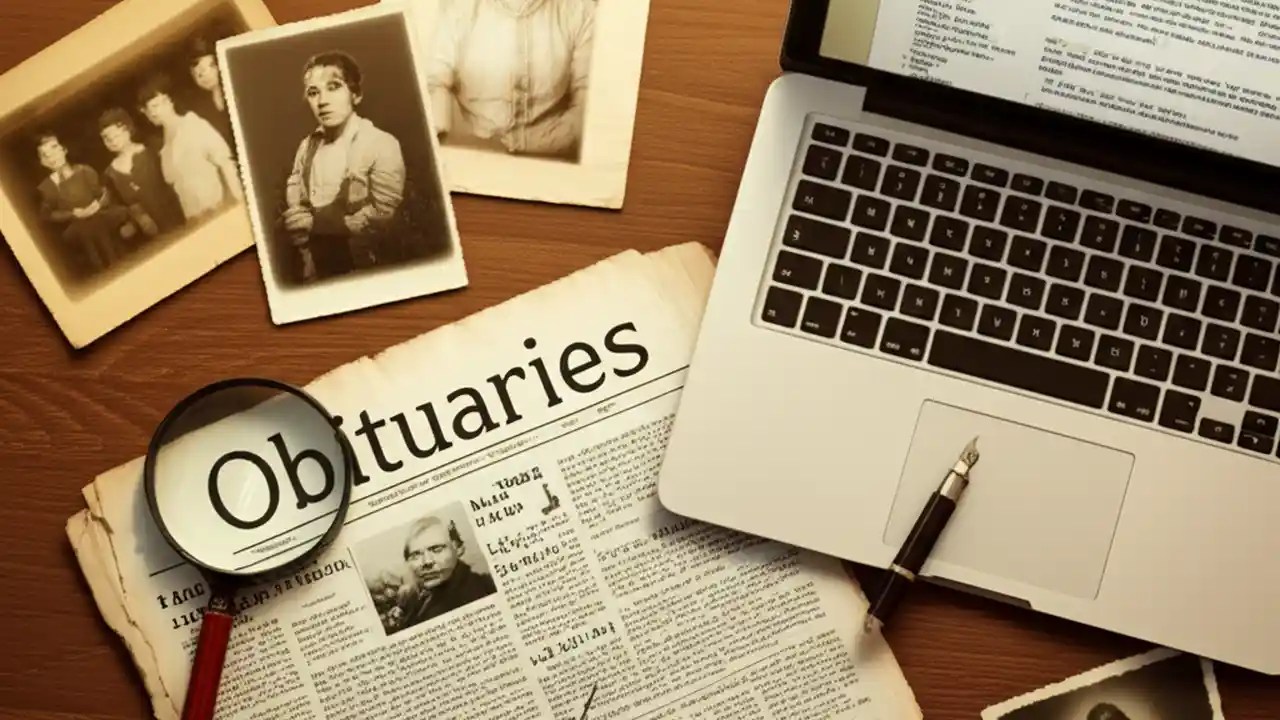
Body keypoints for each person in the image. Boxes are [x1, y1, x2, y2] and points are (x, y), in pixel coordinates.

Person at [280, 51, 406, 283]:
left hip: (366, 271)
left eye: (334, 87)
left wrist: (317, 224)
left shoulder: (380, 143)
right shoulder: (307, 146)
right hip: (315, 270)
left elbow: (385, 216)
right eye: (313, 92)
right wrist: (295, 219)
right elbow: (296, 189)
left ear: (355, 95)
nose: (322, 101)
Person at [427, 0, 595, 159]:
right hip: (478, 157)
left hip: (554, 161)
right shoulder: (459, 9)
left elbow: (590, 102)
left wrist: (535, 145)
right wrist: (446, 139)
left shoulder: (579, 10)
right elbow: (434, 82)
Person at [137, 74, 242, 222]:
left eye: (155, 105)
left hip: (220, 208)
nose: (152, 112)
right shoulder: (164, 149)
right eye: (147, 110)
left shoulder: (193, 125)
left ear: (169, 101)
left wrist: (235, 202)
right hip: (195, 218)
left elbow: (226, 163)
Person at [34, 133, 131, 275]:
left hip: (101, 219)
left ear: (64, 149)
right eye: (45, 155)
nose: (52, 157)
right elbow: (47, 215)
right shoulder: (47, 187)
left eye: (54, 148)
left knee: (109, 240)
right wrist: (72, 213)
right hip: (80, 230)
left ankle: (120, 264)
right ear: (42, 161)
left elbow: (104, 193)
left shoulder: (84, 171)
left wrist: (99, 204)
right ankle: (101, 270)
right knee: (91, 249)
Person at [98, 108, 185, 239]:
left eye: (116, 135)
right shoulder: (110, 174)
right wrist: (137, 217)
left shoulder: (153, 149)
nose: (113, 142)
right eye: (107, 139)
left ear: (128, 130)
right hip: (150, 234)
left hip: (179, 215)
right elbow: (120, 206)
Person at [398, 515, 496, 629]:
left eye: (437, 549)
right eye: (416, 555)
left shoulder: (476, 593)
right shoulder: (418, 595)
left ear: (459, 548)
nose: (426, 561)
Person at [185, 35, 235, 145]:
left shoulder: (237, 89)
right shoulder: (200, 109)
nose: (205, 77)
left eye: (210, 67)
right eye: (198, 74)